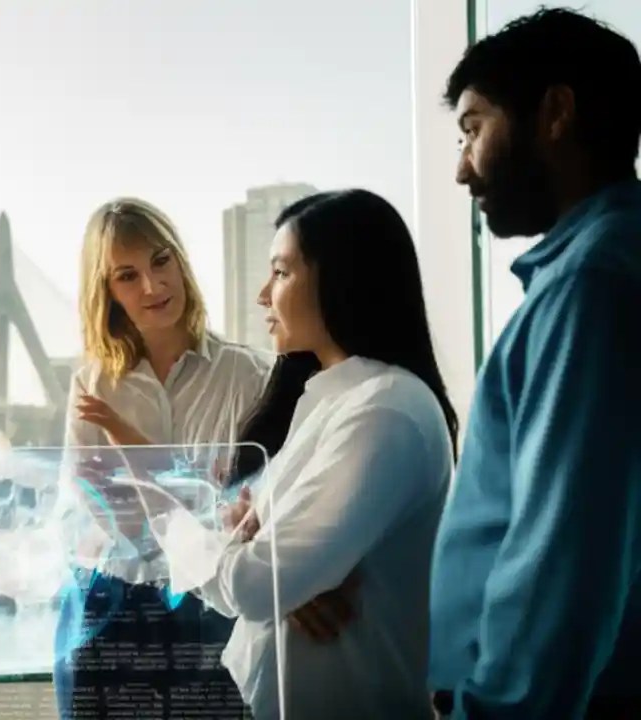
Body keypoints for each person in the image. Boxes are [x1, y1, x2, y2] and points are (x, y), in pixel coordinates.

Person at [148, 189, 459, 719]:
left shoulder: (384, 411)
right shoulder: (332, 400)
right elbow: (264, 576)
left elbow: (254, 585)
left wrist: (180, 530)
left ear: (342, 279)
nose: (263, 295)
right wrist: (276, 565)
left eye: (281, 272)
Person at [430, 8, 641, 718]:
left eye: (473, 127)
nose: (462, 167)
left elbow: (564, 555)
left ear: (555, 112)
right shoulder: (597, 268)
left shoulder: (592, 285)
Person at [54, 197, 272, 719]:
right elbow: (85, 514)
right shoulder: (92, 385)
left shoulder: (248, 377)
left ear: (180, 261)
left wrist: (146, 490)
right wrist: (196, 498)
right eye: (127, 276)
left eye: (160, 261)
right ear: (106, 292)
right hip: (114, 608)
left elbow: (255, 513)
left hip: (213, 609)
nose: (152, 287)